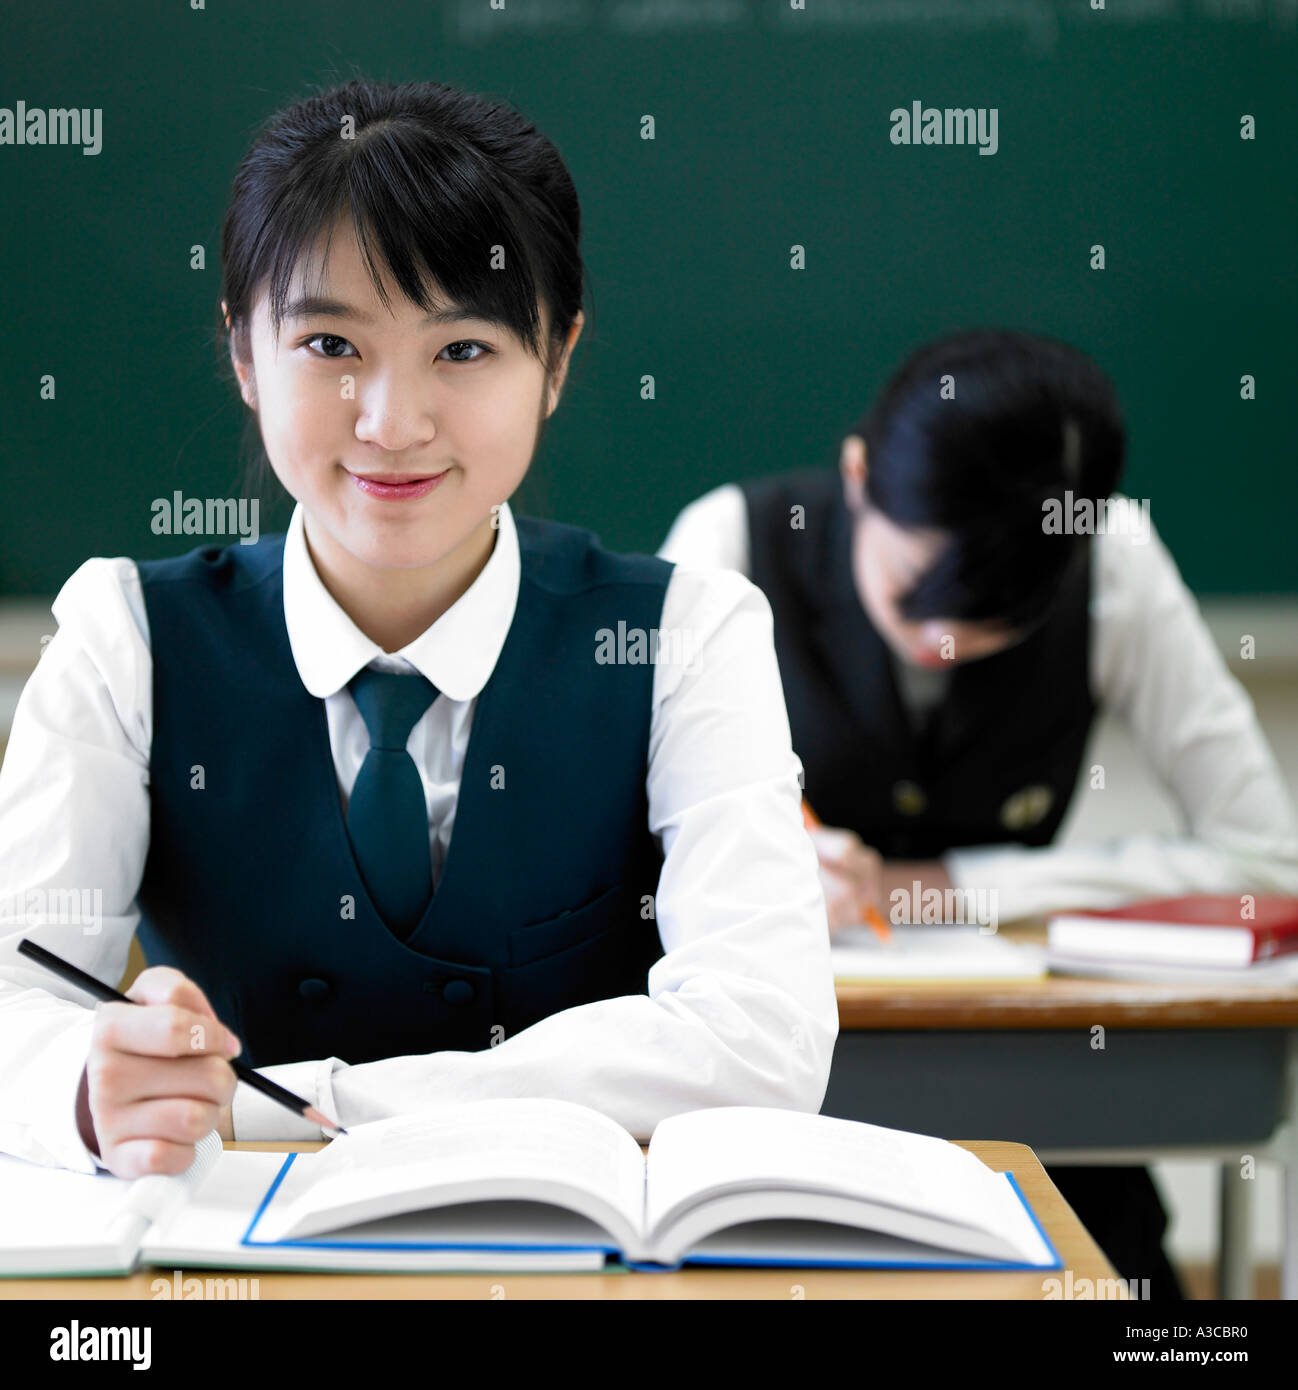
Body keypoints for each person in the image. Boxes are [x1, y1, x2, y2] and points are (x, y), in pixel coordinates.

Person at [0, 78, 837, 1182]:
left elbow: (758, 1043)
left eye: (462, 351)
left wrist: (295, 1105)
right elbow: (20, 1001)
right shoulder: (128, 637)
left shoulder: (683, 633)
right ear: (244, 355)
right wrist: (91, 1083)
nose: (391, 423)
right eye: (330, 346)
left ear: (559, 360)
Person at [657, 327, 1298, 1298]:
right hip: (787, 1091)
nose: (946, 642)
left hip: (1043, 1095)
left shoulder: (1111, 560)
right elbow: (617, 848)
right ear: (859, 473)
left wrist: (949, 888)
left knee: (1123, 1288)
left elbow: (1263, 857)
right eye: (917, 595)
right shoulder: (728, 547)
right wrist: (745, 868)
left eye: (997, 619)